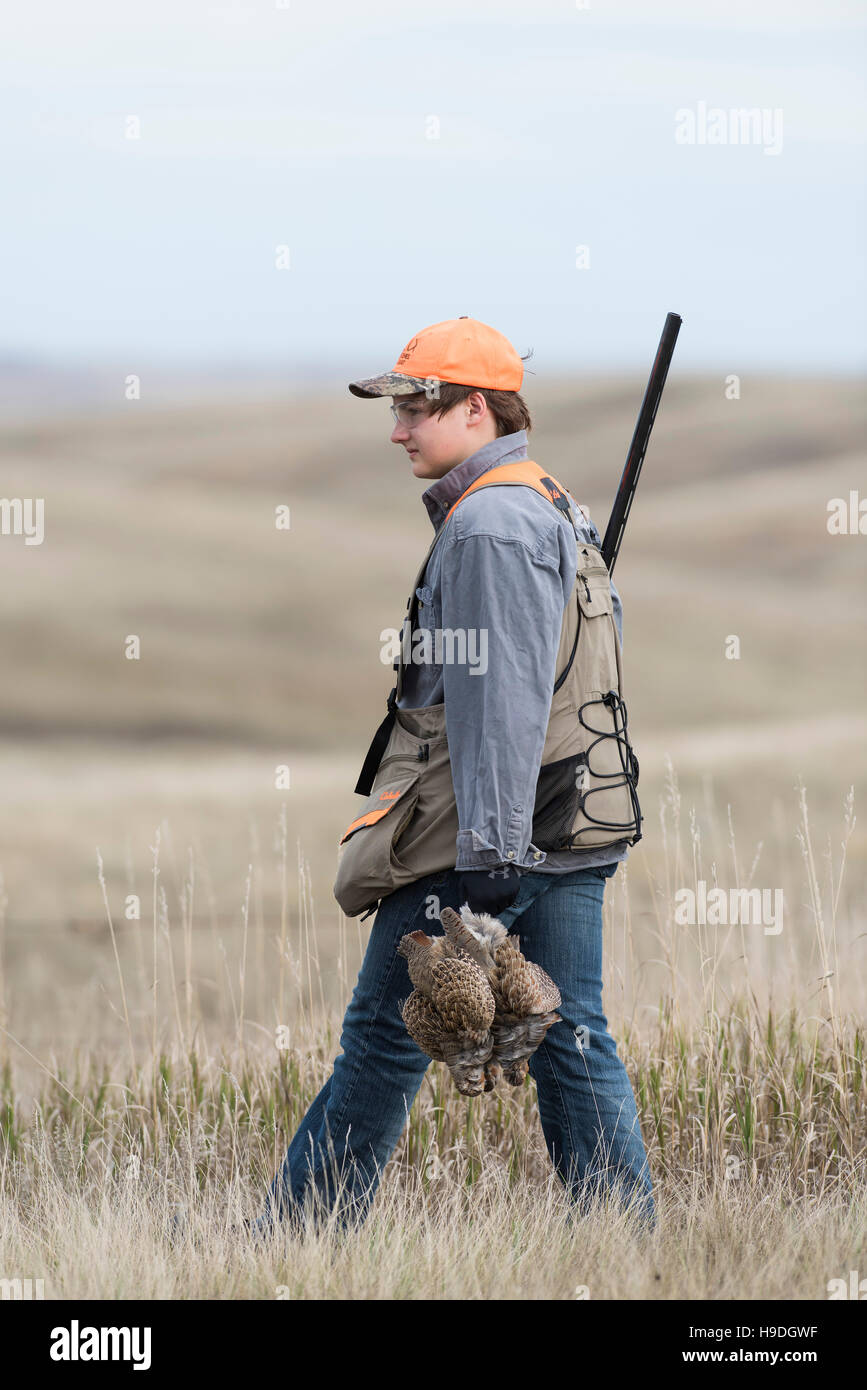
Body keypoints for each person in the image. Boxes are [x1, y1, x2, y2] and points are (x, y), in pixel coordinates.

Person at [257, 317, 655, 1237]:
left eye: (415, 407)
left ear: (475, 409)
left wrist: (486, 858)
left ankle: (298, 1240)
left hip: (485, 836)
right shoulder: (550, 502)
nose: (397, 429)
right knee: (573, 1037)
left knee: (381, 1039)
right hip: (573, 817)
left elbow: (501, 703)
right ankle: (625, 1242)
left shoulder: (487, 527)